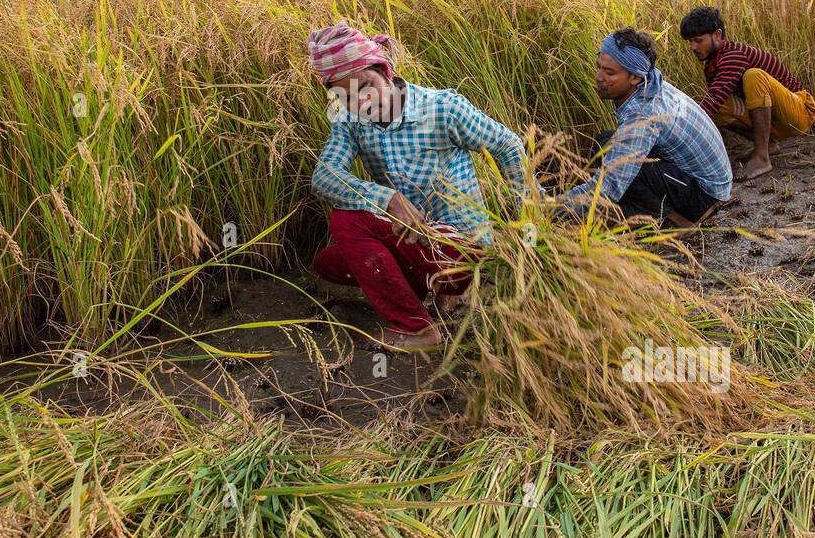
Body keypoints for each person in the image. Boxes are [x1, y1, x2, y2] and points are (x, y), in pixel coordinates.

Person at [307, 20, 527, 351]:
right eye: (346, 95)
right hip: (409, 241)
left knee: (345, 220)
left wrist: (521, 217)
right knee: (329, 263)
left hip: (459, 250)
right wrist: (389, 198)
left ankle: (417, 328)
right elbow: (325, 176)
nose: (361, 101)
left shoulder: (442, 108)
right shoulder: (349, 122)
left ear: (386, 71)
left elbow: (508, 145)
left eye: (367, 85)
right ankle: (426, 291)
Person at [554, 27, 732, 227]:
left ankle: (678, 222)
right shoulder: (650, 79)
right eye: (600, 68)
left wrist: (549, 208)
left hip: (704, 196)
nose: (599, 77)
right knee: (606, 142)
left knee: (618, 163)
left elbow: (608, 187)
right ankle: (655, 213)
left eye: (609, 72)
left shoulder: (643, 114)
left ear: (635, 77)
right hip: (701, 182)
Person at [679, 6, 815, 180]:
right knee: (708, 105)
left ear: (717, 35)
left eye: (698, 40)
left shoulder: (733, 55)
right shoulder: (712, 66)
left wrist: (678, 132)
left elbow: (712, 102)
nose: (693, 47)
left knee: (754, 76)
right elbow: (713, 104)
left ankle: (761, 158)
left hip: (798, 113)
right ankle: (767, 144)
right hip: (773, 120)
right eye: (690, 42)